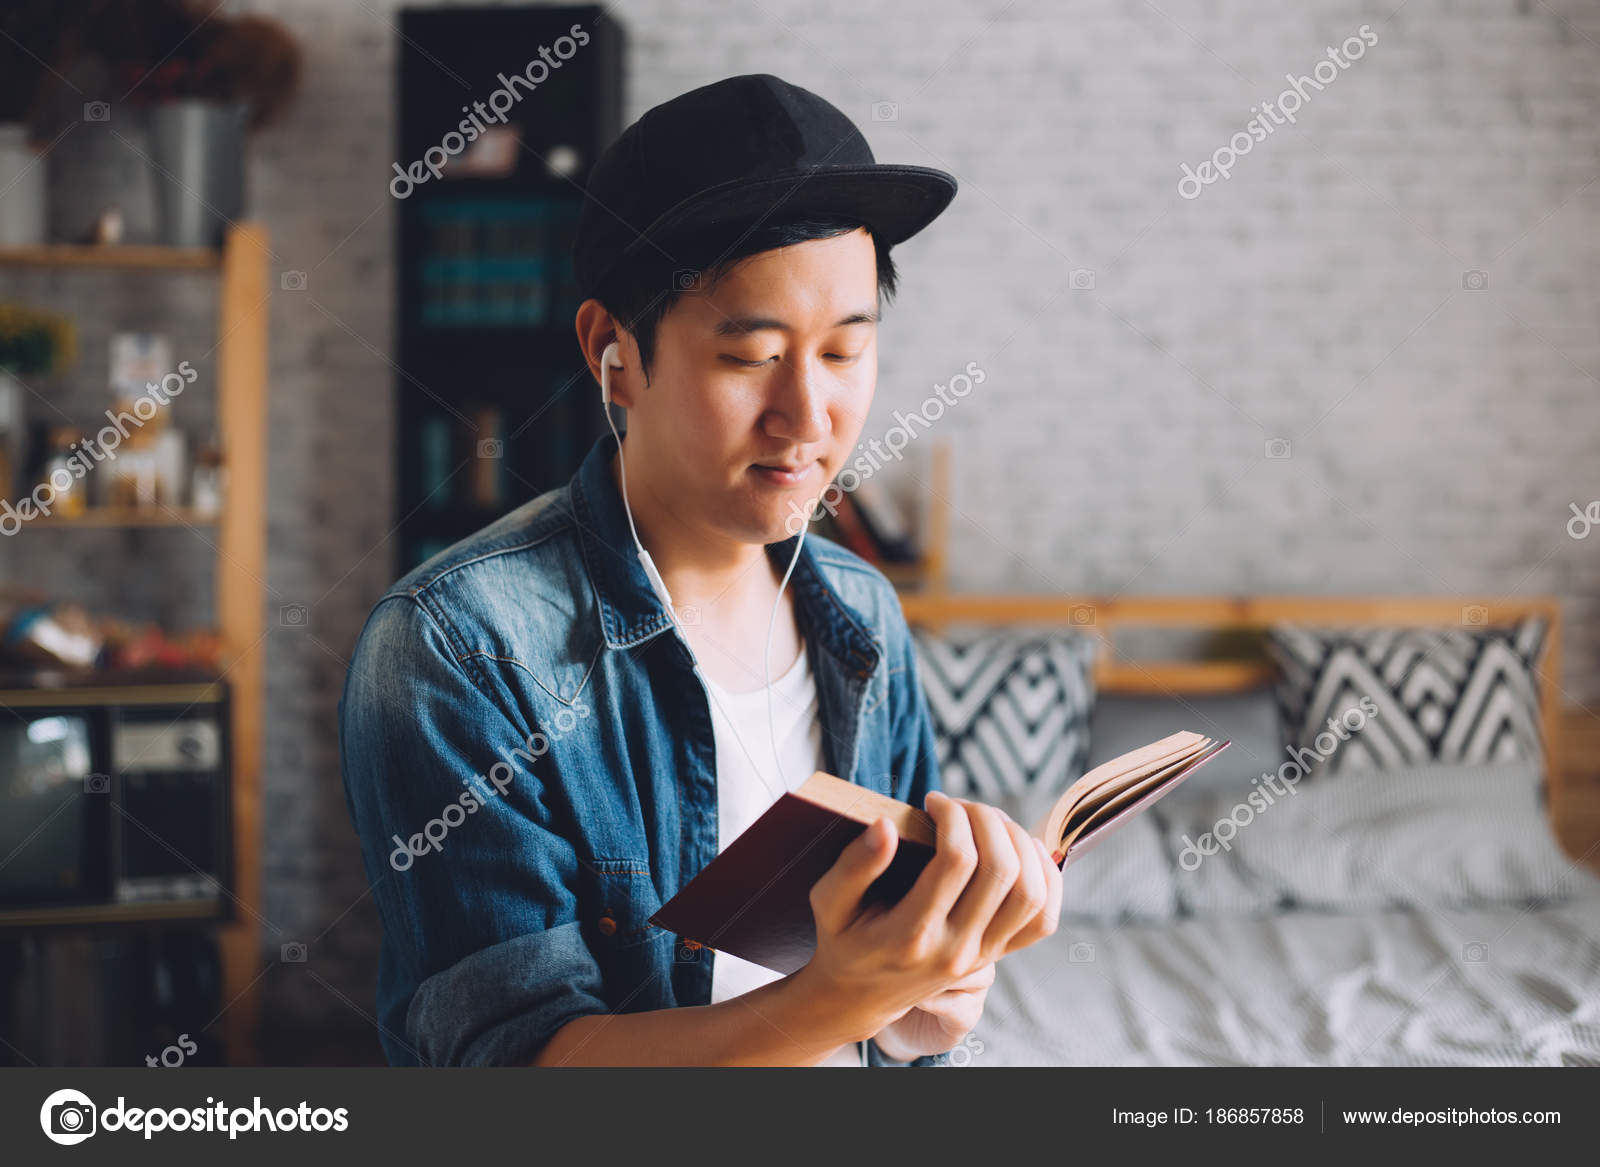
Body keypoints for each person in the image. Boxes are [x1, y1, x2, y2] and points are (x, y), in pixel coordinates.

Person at [339, 74, 1062, 1067]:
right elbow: (514, 1063)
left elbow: (888, 1001)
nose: (807, 417)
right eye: (751, 356)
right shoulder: (460, 648)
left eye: (844, 353)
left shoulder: (861, 615)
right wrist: (833, 1001)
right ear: (613, 353)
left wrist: (917, 1008)